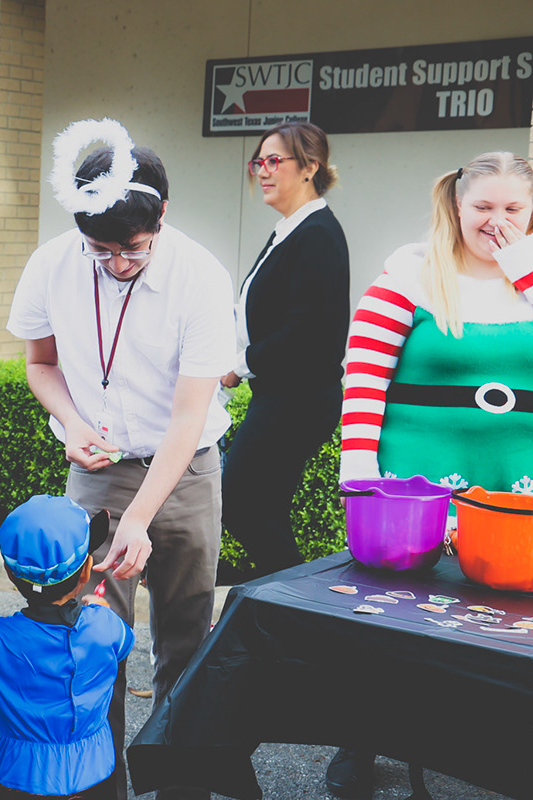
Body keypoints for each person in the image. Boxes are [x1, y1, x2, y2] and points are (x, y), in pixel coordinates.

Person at [7, 119, 234, 800]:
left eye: (132, 249)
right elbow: (40, 363)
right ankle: (97, 783)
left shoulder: (200, 276)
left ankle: (178, 784)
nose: (117, 264)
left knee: (185, 635)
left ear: (162, 214)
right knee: (86, 632)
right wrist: (70, 421)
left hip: (185, 468)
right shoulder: (52, 262)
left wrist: (136, 517)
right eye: (98, 249)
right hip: (95, 466)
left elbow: (190, 414)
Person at [335, 150, 533, 798]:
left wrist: (520, 271)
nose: (496, 220)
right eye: (483, 206)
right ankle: (359, 740)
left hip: (514, 481)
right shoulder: (412, 268)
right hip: (416, 482)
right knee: (392, 616)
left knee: (506, 618)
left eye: (512, 208)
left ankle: (490, 742)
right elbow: (365, 372)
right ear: (456, 204)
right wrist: (360, 470)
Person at [0, 494, 133, 800]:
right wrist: (99, 609)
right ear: (86, 572)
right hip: (96, 774)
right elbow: (124, 645)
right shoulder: (107, 625)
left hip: (21, 781)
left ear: (10, 574)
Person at [220, 122, 350, 577]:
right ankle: (284, 607)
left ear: (310, 167)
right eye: (259, 161)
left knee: (240, 505)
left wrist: (239, 366)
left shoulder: (315, 233)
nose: (262, 171)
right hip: (283, 397)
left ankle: (298, 604)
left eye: (275, 161)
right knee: (262, 511)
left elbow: (308, 333)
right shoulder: (292, 229)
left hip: (297, 400)